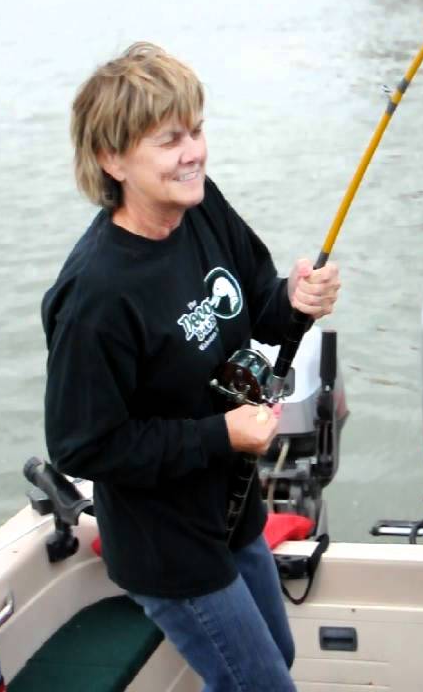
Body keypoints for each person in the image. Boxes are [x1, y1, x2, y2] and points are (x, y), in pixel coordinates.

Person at [41, 42, 341, 691]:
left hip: (231, 506)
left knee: (276, 655)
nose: (194, 152)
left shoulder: (202, 208)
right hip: (166, 545)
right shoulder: (96, 297)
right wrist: (220, 435)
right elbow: (80, 444)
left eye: (196, 131)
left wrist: (295, 299)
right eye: (170, 140)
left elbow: (261, 305)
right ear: (112, 159)